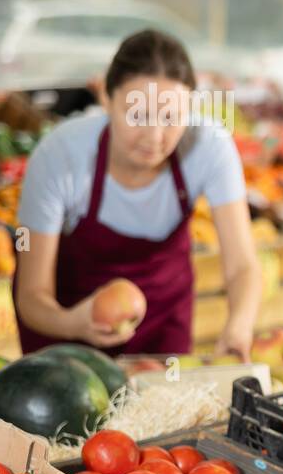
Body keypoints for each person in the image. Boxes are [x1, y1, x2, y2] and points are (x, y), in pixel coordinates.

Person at [14, 29, 261, 358]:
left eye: (172, 117)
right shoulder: (59, 156)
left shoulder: (210, 147)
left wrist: (239, 326)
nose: (154, 136)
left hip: (163, 323)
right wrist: (75, 324)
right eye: (138, 115)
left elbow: (242, 265)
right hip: (67, 327)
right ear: (105, 97)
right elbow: (31, 295)